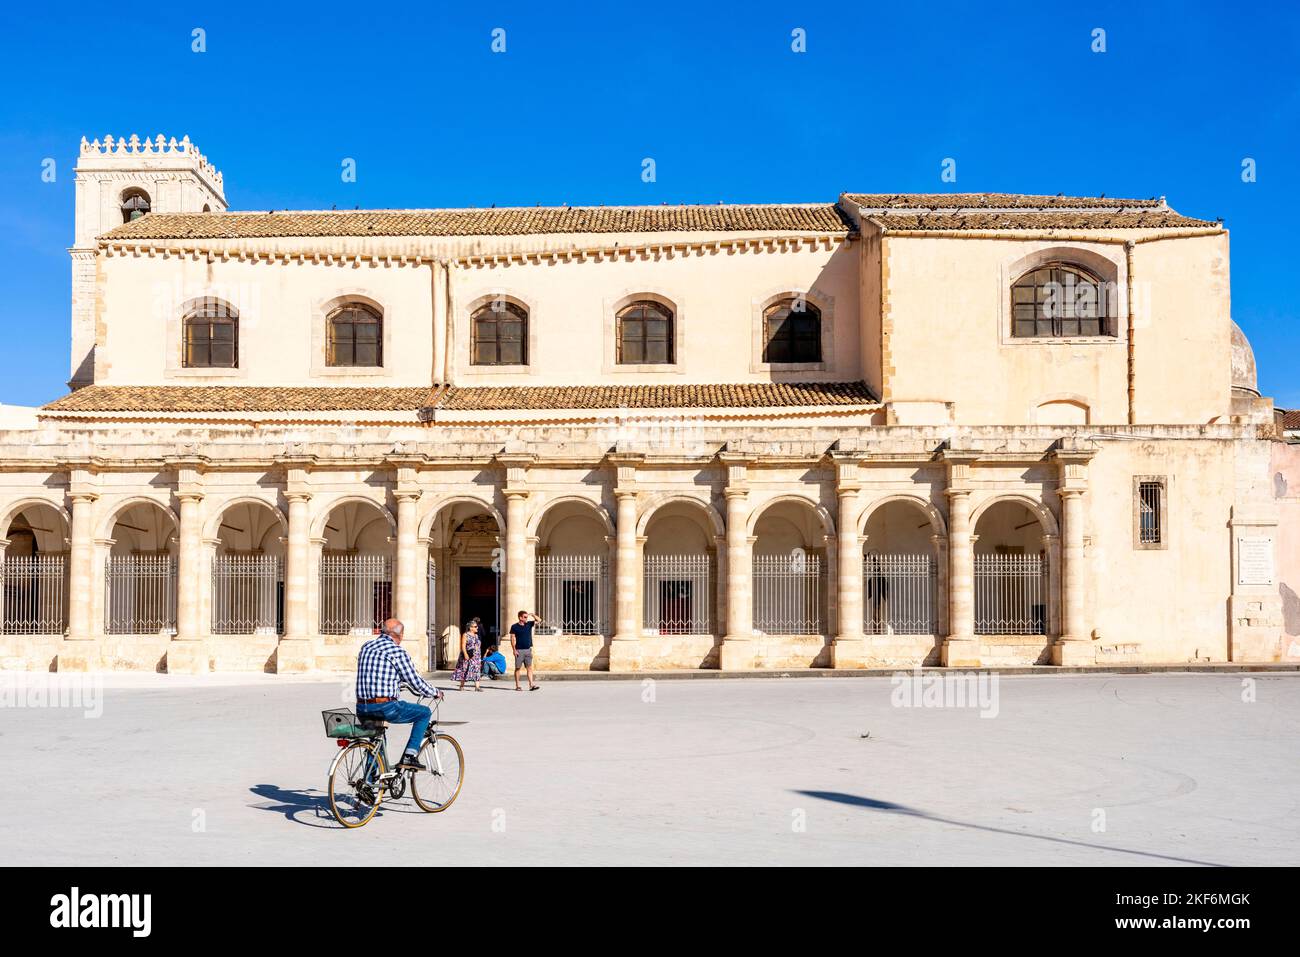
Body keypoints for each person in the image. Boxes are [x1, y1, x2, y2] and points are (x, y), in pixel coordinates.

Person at [355, 618, 443, 771]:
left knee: (376, 740)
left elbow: (375, 673)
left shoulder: (366, 646)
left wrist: (395, 683)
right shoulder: (397, 651)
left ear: (382, 631)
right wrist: (435, 692)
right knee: (424, 713)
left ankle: (369, 784)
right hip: (385, 707)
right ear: (400, 635)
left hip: (362, 707)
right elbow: (415, 680)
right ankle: (410, 755)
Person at [509, 610, 541, 691]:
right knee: (518, 668)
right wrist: (514, 650)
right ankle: (517, 686)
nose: (526, 618)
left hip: (528, 650)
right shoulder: (514, 626)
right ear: (520, 617)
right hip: (519, 650)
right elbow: (512, 638)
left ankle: (531, 685)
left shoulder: (529, 624)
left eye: (527, 617)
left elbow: (539, 620)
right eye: (525, 617)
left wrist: (533, 615)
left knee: (529, 668)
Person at [452, 619, 484, 692]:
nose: (477, 628)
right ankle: (461, 686)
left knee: (477, 670)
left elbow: (478, 645)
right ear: (470, 628)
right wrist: (466, 654)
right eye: (475, 626)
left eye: (477, 626)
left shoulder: (476, 636)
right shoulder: (465, 635)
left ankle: (477, 687)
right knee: (464, 669)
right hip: (467, 654)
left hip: (476, 656)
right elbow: (463, 645)